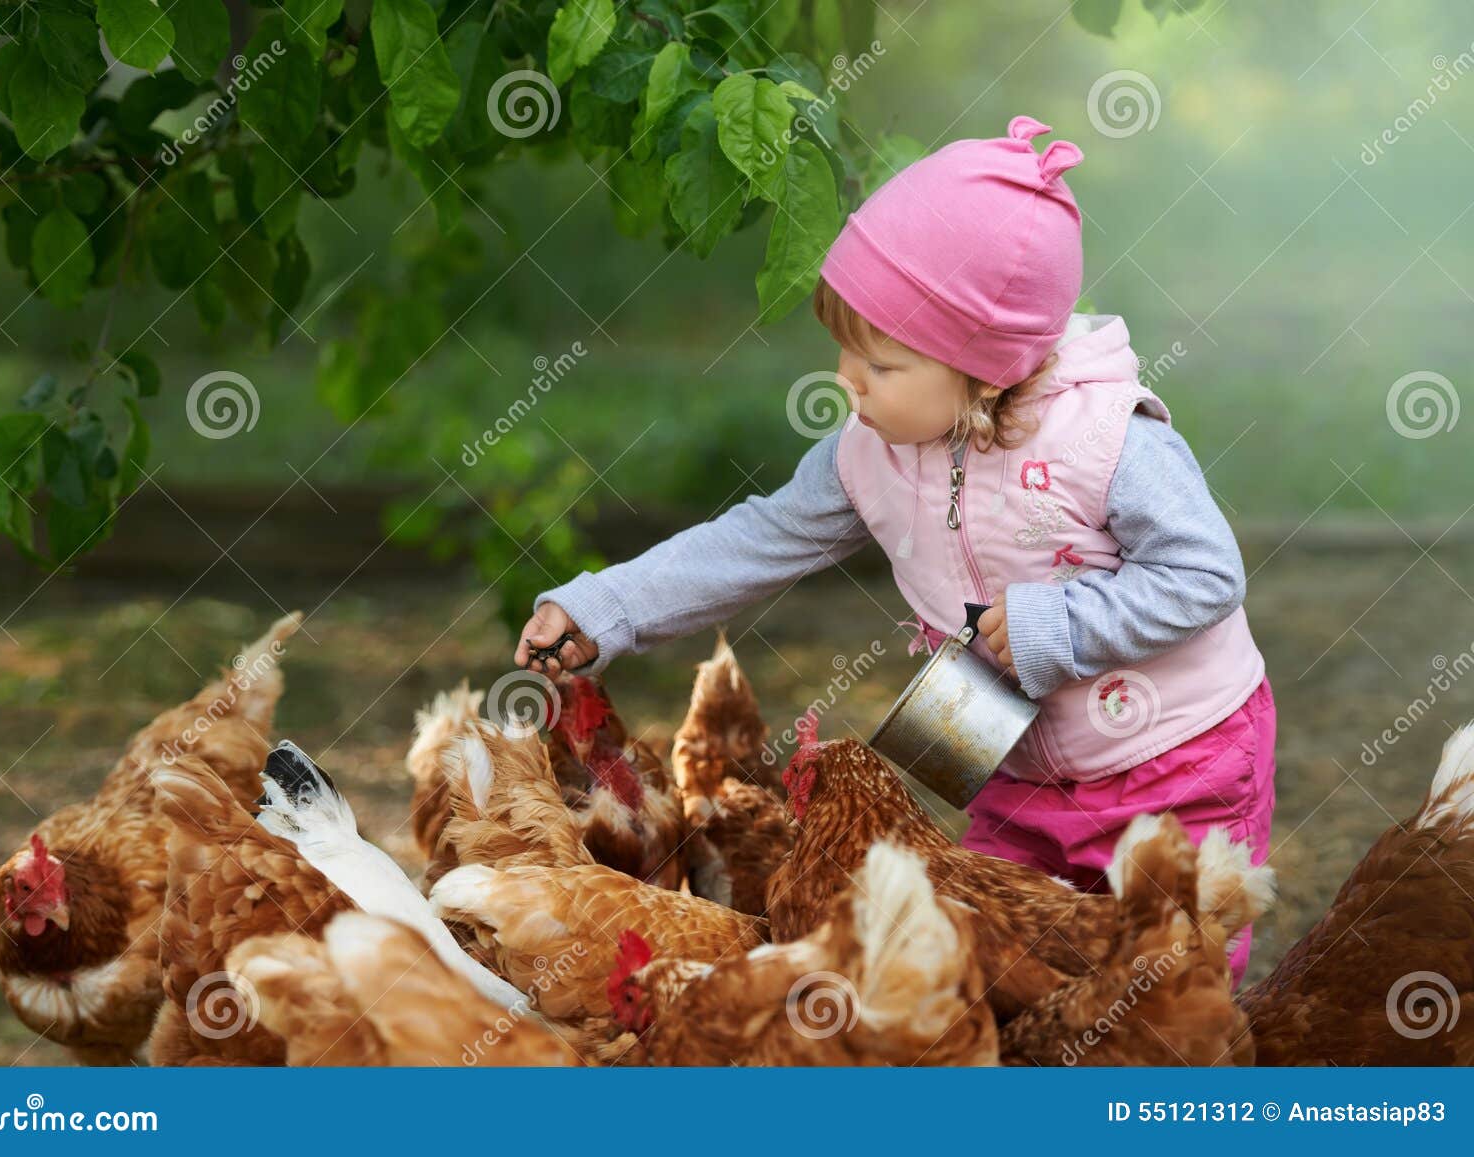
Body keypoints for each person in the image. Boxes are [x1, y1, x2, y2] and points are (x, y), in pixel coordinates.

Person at [513, 116, 1275, 987]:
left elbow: (1206, 573)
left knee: (1169, 980)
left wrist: (1050, 622)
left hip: (1175, 758)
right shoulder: (868, 452)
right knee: (1002, 976)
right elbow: (757, 539)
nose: (846, 379)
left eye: (877, 362)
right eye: (843, 348)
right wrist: (606, 605)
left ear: (982, 370)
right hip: (1016, 774)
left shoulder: (1106, 440)